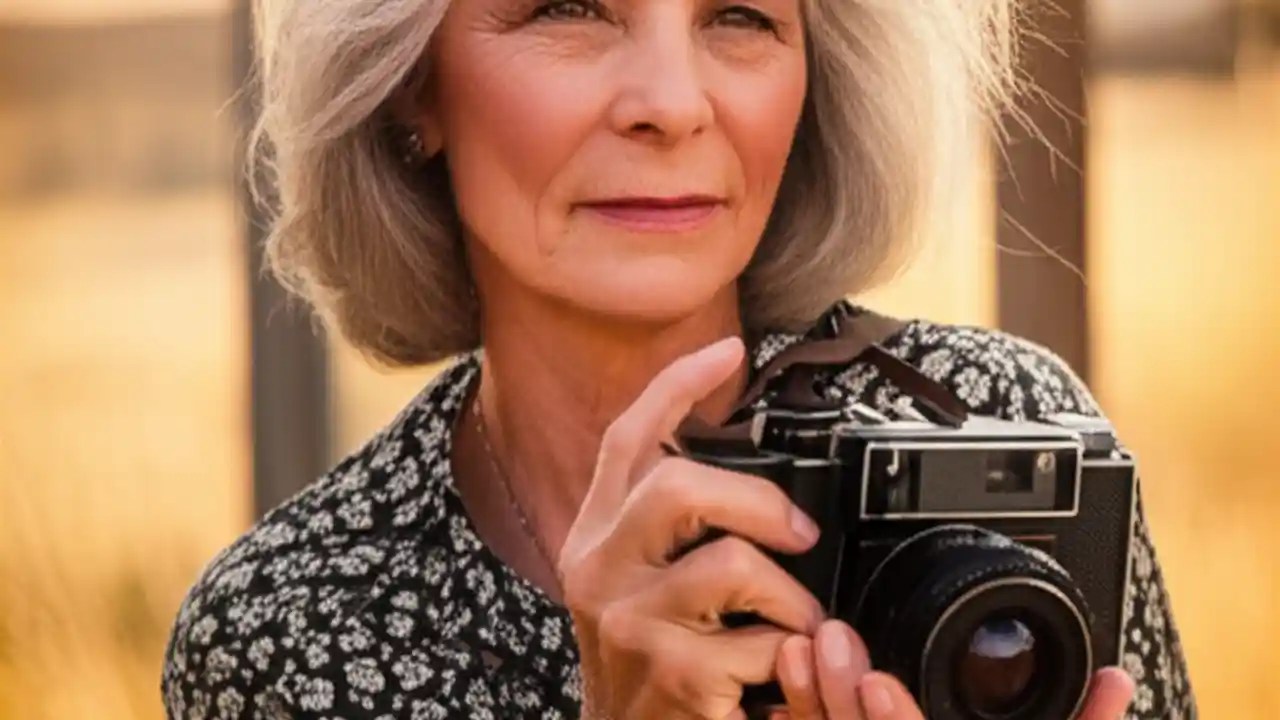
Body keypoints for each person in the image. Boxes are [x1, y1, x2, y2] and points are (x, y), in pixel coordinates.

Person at [162, 0, 1195, 717]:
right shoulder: (281, 628)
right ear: (409, 87)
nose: (672, 102)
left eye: (740, 16)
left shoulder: (1000, 423)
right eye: (567, 8)